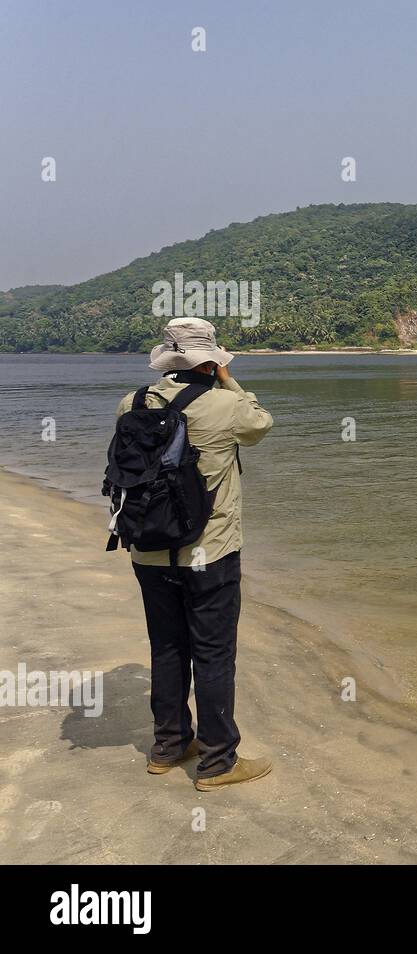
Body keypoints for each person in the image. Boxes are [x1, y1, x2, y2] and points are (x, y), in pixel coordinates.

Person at [117, 317, 274, 791]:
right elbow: (260, 423)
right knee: (212, 654)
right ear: (210, 360)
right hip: (210, 552)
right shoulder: (226, 405)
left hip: (148, 552)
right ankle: (218, 761)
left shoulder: (133, 402)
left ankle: (168, 746)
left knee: (166, 647)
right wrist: (228, 377)